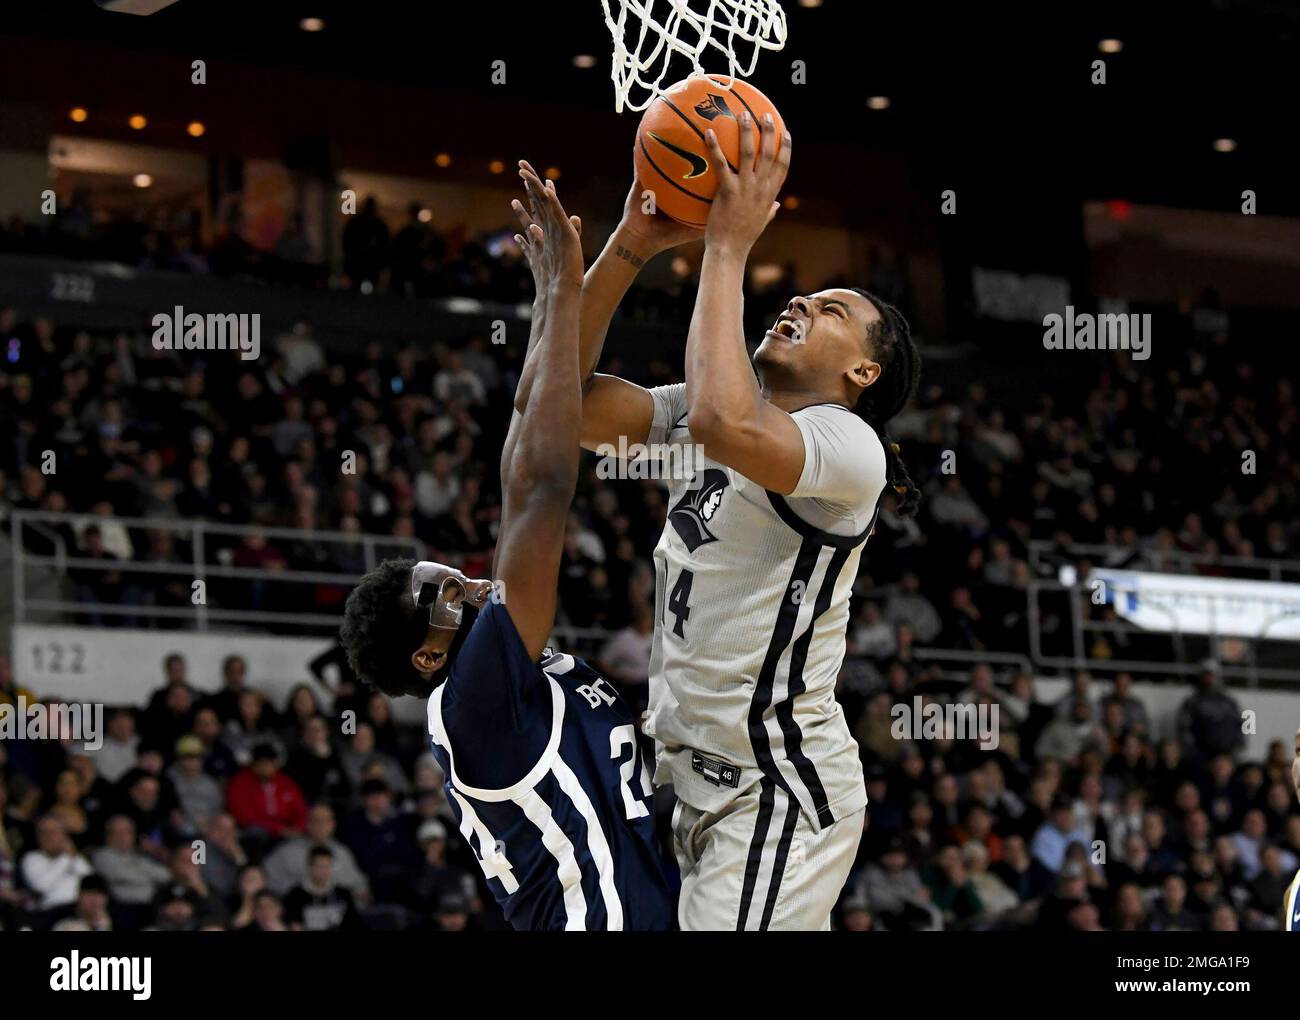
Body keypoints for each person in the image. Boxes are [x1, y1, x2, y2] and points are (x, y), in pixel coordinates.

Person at [576, 114, 920, 929]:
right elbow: (554, 405)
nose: (802, 299)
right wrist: (629, 243)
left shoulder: (848, 446)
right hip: (685, 785)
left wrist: (724, 246)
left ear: (862, 372)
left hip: (776, 790)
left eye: (832, 309)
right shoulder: (713, 408)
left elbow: (728, 425)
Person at [339, 167, 672, 931]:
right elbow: (539, 488)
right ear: (427, 656)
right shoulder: (476, 695)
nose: (476, 585)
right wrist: (559, 292)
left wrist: (596, 269)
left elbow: (532, 417)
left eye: (456, 576)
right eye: (449, 597)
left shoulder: (499, 679)